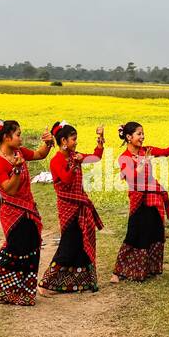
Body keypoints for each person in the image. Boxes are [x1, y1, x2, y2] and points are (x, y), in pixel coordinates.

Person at [112, 121, 169, 282]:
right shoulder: (123, 158)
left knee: (155, 231)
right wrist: (143, 162)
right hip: (138, 199)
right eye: (139, 134)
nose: (142, 137)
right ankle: (118, 272)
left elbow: (166, 151)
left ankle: (150, 268)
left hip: (153, 196)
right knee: (133, 234)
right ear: (128, 137)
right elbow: (132, 177)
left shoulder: (146, 150)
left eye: (142, 133)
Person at [0, 119, 53, 304]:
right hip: (13, 213)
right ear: (7, 138)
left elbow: (40, 154)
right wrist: (16, 169)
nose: (20, 138)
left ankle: (23, 292)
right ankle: (0, 291)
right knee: (14, 249)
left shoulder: (19, 152)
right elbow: (10, 190)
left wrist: (48, 143)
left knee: (31, 246)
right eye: (18, 134)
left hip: (28, 209)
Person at [41, 120, 105, 293]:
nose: (76, 142)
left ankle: (80, 282)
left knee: (80, 242)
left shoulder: (73, 155)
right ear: (63, 141)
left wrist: (100, 139)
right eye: (73, 139)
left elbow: (96, 157)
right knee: (68, 246)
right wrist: (75, 163)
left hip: (79, 206)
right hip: (68, 208)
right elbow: (67, 181)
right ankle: (45, 284)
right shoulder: (57, 161)